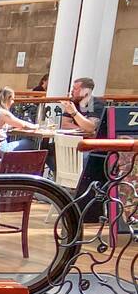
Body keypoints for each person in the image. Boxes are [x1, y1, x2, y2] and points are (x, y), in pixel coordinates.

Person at [61, 76, 110, 220]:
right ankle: (66, 189)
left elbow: (91, 127)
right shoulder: (74, 104)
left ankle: (75, 189)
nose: (72, 92)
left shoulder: (95, 104)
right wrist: (81, 126)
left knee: (88, 159)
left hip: (89, 149)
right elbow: (64, 124)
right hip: (73, 148)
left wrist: (75, 115)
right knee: (48, 151)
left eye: (75, 89)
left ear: (86, 91)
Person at [0, 87, 37, 153]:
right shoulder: (3, 113)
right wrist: (36, 126)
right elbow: (23, 125)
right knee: (30, 143)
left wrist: (10, 126)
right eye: (12, 99)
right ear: (8, 99)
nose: (13, 102)